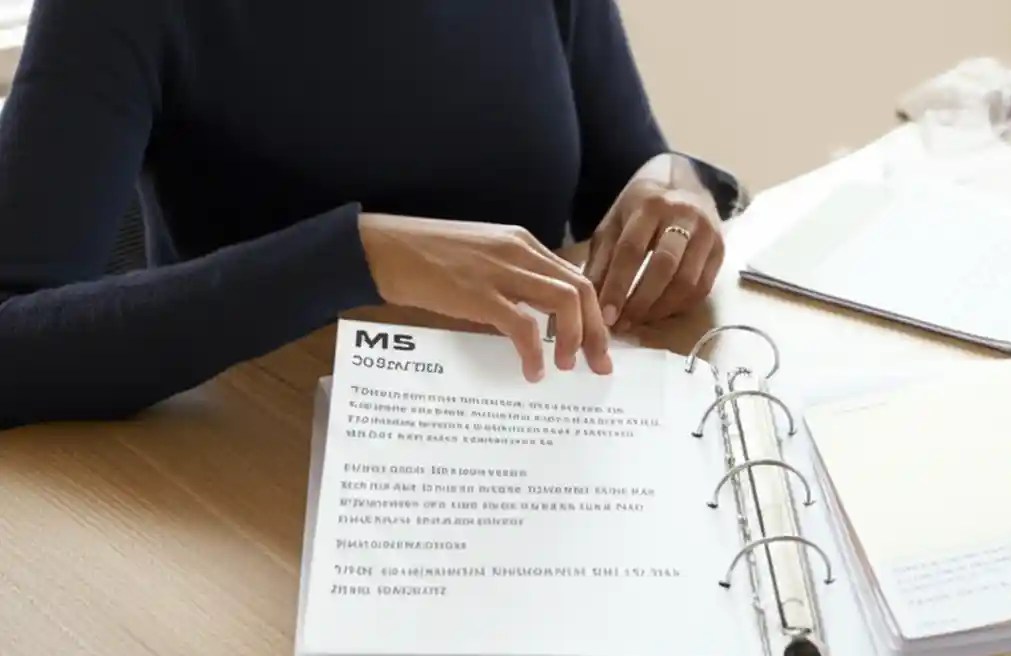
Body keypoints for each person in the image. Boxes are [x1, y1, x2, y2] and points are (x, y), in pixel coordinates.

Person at [0, 0, 747, 429]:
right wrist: (354, 256)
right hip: (273, 486)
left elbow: (628, 178)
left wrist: (676, 185)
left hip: (533, 448)